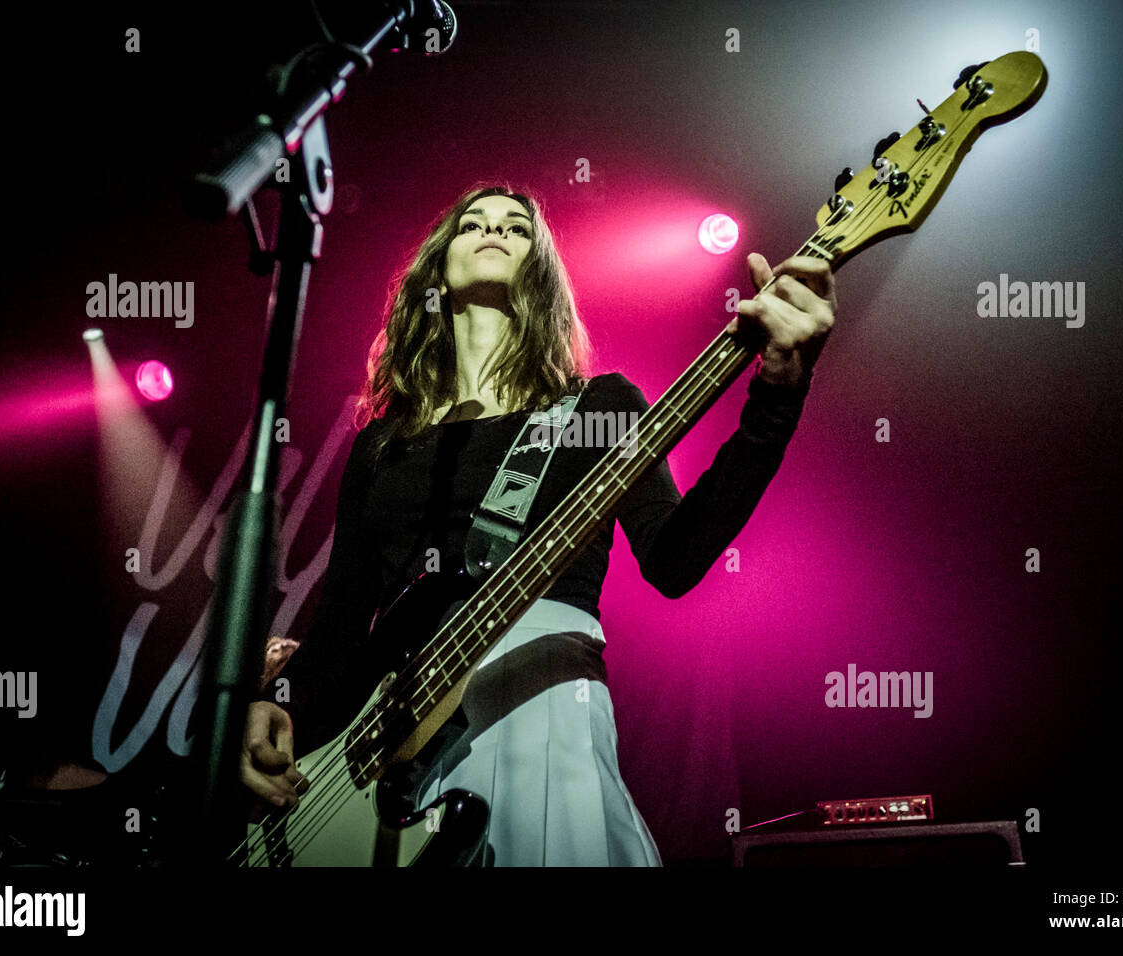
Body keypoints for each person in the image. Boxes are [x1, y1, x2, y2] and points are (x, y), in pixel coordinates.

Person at [238, 184, 836, 865]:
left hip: (537, 702)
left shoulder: (597, 407)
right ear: (438, 265)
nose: (494, 229)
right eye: (474, 222)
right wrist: (277, 704)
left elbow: (675, 561)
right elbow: (343, 629)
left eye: (516, 228)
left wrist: (776, 396)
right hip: (378, 749)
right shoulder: (382, 445)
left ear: (539, 271)